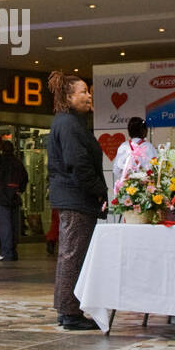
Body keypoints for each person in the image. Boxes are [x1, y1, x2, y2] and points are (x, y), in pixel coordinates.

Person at [47, 71, 108, 331]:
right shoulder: (69, 125)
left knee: (70, 254)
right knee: (74, 254)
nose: (88, 95)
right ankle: (70, 313)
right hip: (76, 198)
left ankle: (66, 308)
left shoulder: (69, 122)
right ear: (69, 97)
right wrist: (97, 190)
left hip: (73, 197)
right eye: (83, 91)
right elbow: (78, 164)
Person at [0, 139, 28, 261]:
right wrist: (20, 190)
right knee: (13, 225)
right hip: (15, 196)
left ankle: (6, 252)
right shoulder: (18, 162)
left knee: (5, 225)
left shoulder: (1, 161)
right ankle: (13, 252)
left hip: (3, 196)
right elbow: (25, 177)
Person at [111, 116, 158, 193]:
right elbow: (155, 169)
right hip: (145, 190)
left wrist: (128, 178)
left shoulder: (123, 146)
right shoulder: (149, 147)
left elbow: (116, 170)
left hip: (127, 189)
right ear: (144, 131)